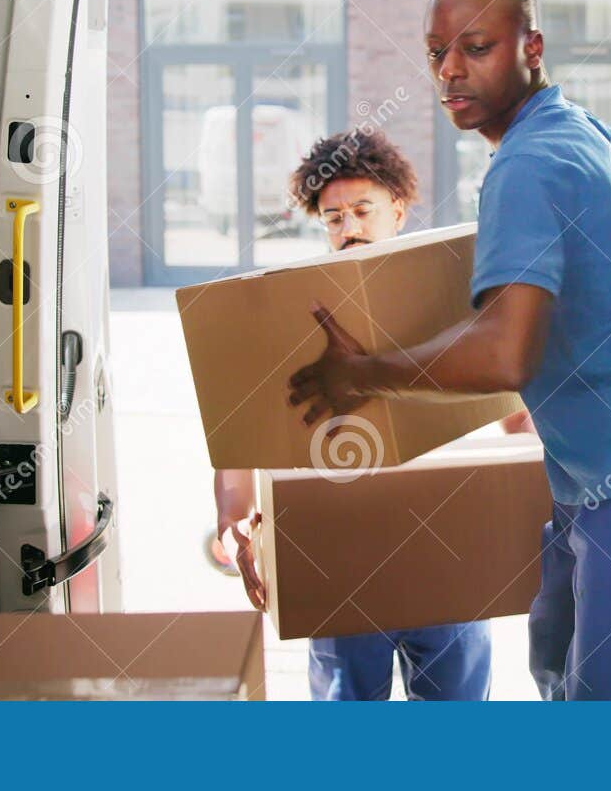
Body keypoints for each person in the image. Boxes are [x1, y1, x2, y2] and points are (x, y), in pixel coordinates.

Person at [288, 0, 611, 700]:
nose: (450, 72)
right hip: (596, 469)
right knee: (557, 667)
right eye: (437, 54)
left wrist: (363, 372)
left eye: (477, 46)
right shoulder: (578, 124)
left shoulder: (526, 165)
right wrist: (578, 267)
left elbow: (504, 355)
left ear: (532, 47)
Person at [211, 128, 520, 701]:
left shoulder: (451, 289)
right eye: (333, 218)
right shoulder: (290, 304)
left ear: (398, 210)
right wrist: (234, 517)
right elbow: (244, 423)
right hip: (342, 550)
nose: (347, 228)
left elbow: (515, 413)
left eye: (361, 210)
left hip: (447, 549)